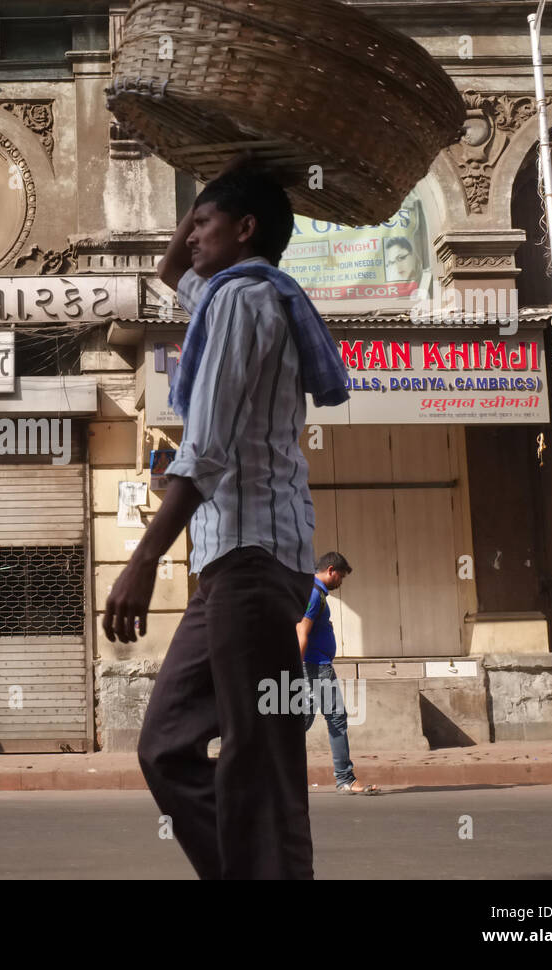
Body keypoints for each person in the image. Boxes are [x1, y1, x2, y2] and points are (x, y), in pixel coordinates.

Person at [104, 157, 349, 880]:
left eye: (206, 222)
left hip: (251, 559)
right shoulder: (221, 292)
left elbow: (204, 451)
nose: (192, 237)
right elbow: (166, 267)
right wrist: (215, 180)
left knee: (259, 753)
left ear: (245, 232)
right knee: (168, 747)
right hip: (230, 567)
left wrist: (143, 559)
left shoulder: (242, 301)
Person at [297, 552, 376, 795]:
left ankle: (264, 769)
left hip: (314, 666)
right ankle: (345, 779)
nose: (341, 581)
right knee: (336, 719)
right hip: (316, 667)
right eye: (340, 576)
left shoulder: (312, 591)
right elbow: (302, 632)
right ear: (331, 570)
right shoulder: (314, 594)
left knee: (301, 721)